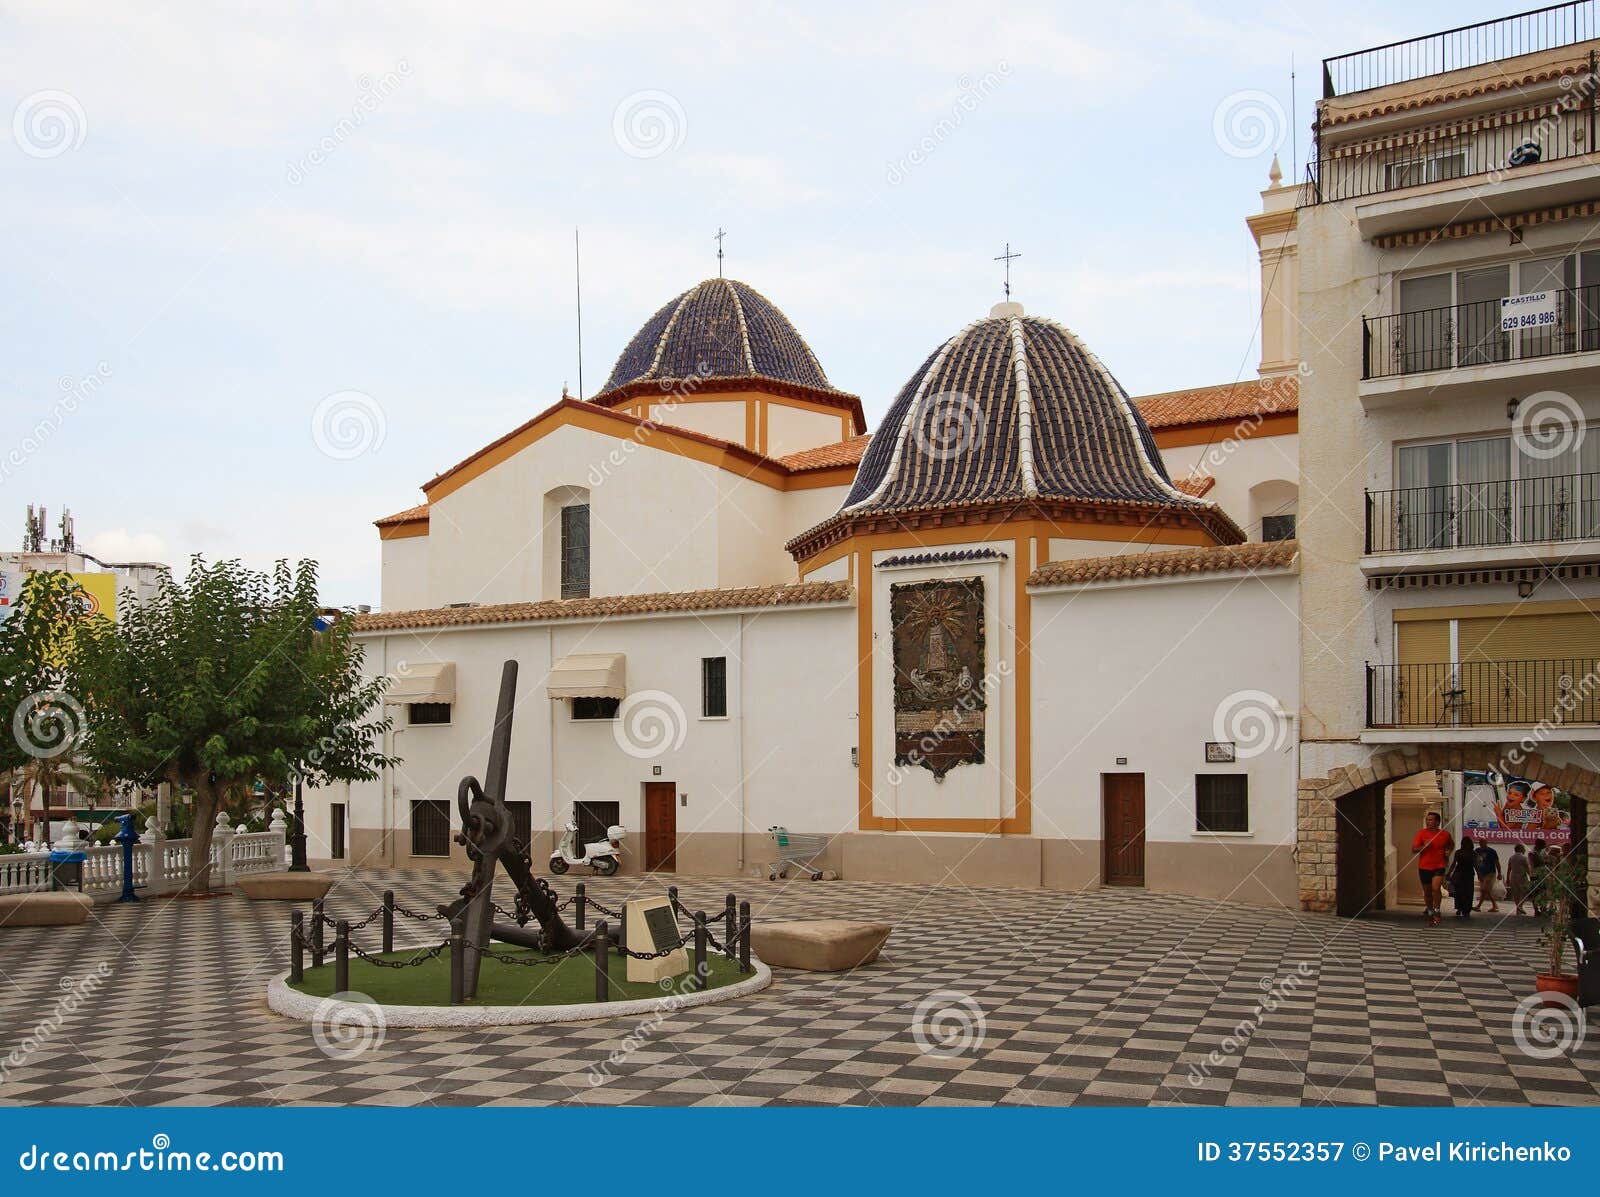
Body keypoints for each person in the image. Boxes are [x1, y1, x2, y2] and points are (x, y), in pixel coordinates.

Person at [1411, 811, 1453, 926]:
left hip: (1439, 865)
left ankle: (1437, 911)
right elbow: (1414, 849)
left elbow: (1451, 844)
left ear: (1437, 822)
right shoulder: (1421, 834)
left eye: (1431, 820)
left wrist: (1448, 851)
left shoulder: (1445, 834)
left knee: (1436, 888)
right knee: (1427, 891)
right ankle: (1430, 910)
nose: (1428, 822)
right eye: (1427, 820)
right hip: (1424, 866)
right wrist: (1424, 846)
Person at [1448, 833, 1478, 920]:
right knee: (1468, 892)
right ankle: (1467, 910)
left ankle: (1459, 907)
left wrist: (1449, 873)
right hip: (1468, 874)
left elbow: (1454, 864)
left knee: (1459, 892)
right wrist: (1480, 875)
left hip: (1459, 874)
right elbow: (1476, 865)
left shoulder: (1458, 852)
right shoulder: (1473, 853)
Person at [1473, 839, 1502, 913]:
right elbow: (1475, 862)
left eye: (1483, 842)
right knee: (1484, 890)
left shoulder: (1492, 851)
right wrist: (1478, 873)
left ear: (1486, 842)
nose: (1481, 843)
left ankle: (1488, 906)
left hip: (1490, 873)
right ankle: (1492, 906)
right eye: (1480, 842)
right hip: (1482, 873)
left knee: (1485, 889)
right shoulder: (1477, 851)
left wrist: (1499, 873)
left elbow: (1497, 863)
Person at [1506, 843, 1532, 916]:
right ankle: (1520, 907)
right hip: (1522, 876)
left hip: (1513, 876)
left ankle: (1518, 908)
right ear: (1521, 849)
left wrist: (1507, 878)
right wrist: (1531, 876)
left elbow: (1509, 869)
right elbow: (1527, 868)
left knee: (1516, 893)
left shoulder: (1511, 857)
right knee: (1524, 892)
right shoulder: (1523, 858)